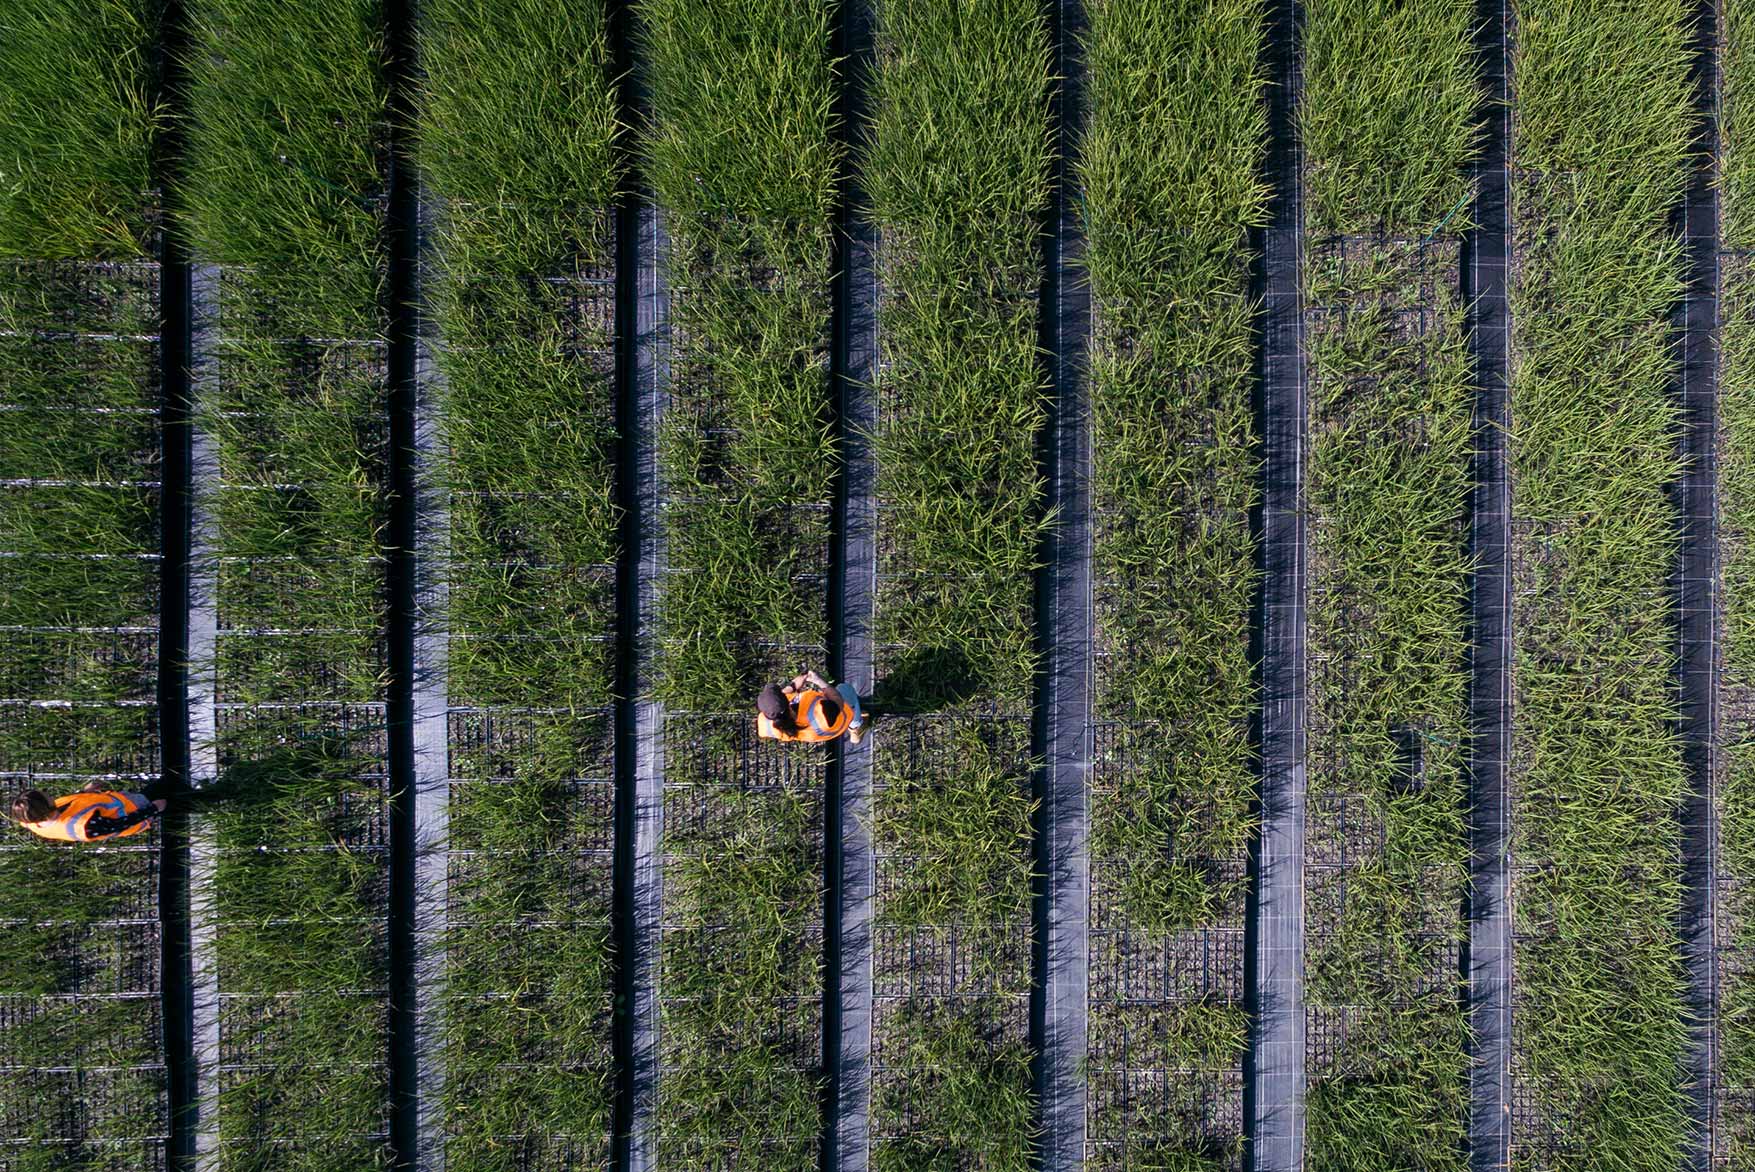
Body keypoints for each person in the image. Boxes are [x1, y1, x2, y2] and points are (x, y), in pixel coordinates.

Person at [9, 782, 167, 843]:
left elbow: (70, 806)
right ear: (44, 806)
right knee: (172, 791)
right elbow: (121, 825)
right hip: (138, 809)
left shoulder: (37, 820)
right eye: (46, 796)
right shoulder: (84, 826)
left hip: (126, 801)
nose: (49, 795)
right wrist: (152, 809)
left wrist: (84, 792)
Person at [757, 669, 867, 746]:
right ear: (786, 706)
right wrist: (818, 680)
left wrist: (793, 685)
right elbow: (837, 700)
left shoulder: (770, 719)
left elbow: (783, 695)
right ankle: (856, 728)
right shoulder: (822, 714)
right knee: (845, 689)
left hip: (818, 733)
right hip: (839, 719)